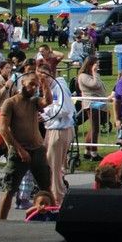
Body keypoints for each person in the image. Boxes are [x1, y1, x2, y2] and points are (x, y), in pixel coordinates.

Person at [0, 72, 53, 218]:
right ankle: (0, 223)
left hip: (37, 150)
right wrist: (19, 150)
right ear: (23, 83)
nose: (33, 88)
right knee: (9, 190)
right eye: (31, 85)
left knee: (46, 187)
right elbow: (3, 128)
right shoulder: (10, 103)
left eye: (36, 85)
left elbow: (47, 101)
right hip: (19, 152)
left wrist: (44, 84)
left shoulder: (34, 102)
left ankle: (55, 217)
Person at [42, 73, 77, 207]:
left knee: (54, 167)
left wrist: (45, 112)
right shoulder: (51, 88)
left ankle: (58, 199)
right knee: (51, 167)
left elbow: (64, 109)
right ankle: (54, 195)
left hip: (60, 130)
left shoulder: (59, 87)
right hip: (52, 128)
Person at [76, 56, 108, 162]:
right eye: (96, 64)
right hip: (92, 104)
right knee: (95, 128)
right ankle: (94, 152)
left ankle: (87, 150)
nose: (97, 66)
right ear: (90, 64)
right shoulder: (83, 76)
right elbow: (95, 84)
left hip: (98, 104)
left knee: (94, 128)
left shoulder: (92, 75)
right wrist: (95, 73)